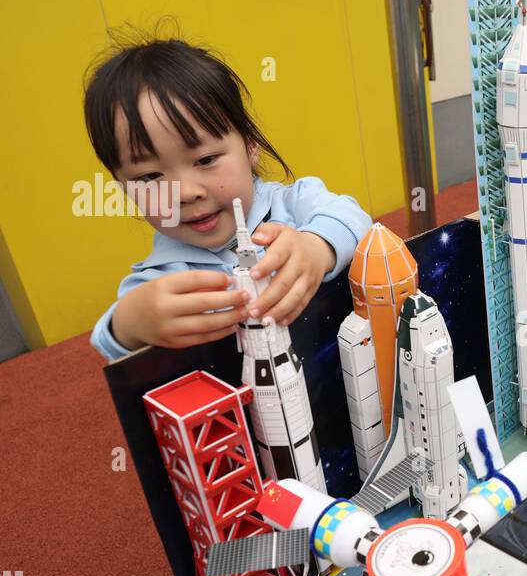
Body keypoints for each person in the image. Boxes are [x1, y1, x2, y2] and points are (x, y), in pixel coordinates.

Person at [84, 35, 371, 360]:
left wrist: (317, 248)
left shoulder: (292, 203)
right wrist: (128, 326)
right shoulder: (160, 280)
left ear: (250, 146)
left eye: (205, 160)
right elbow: (116, 347)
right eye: (150, 177)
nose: (185, 194)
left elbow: (357, 221)